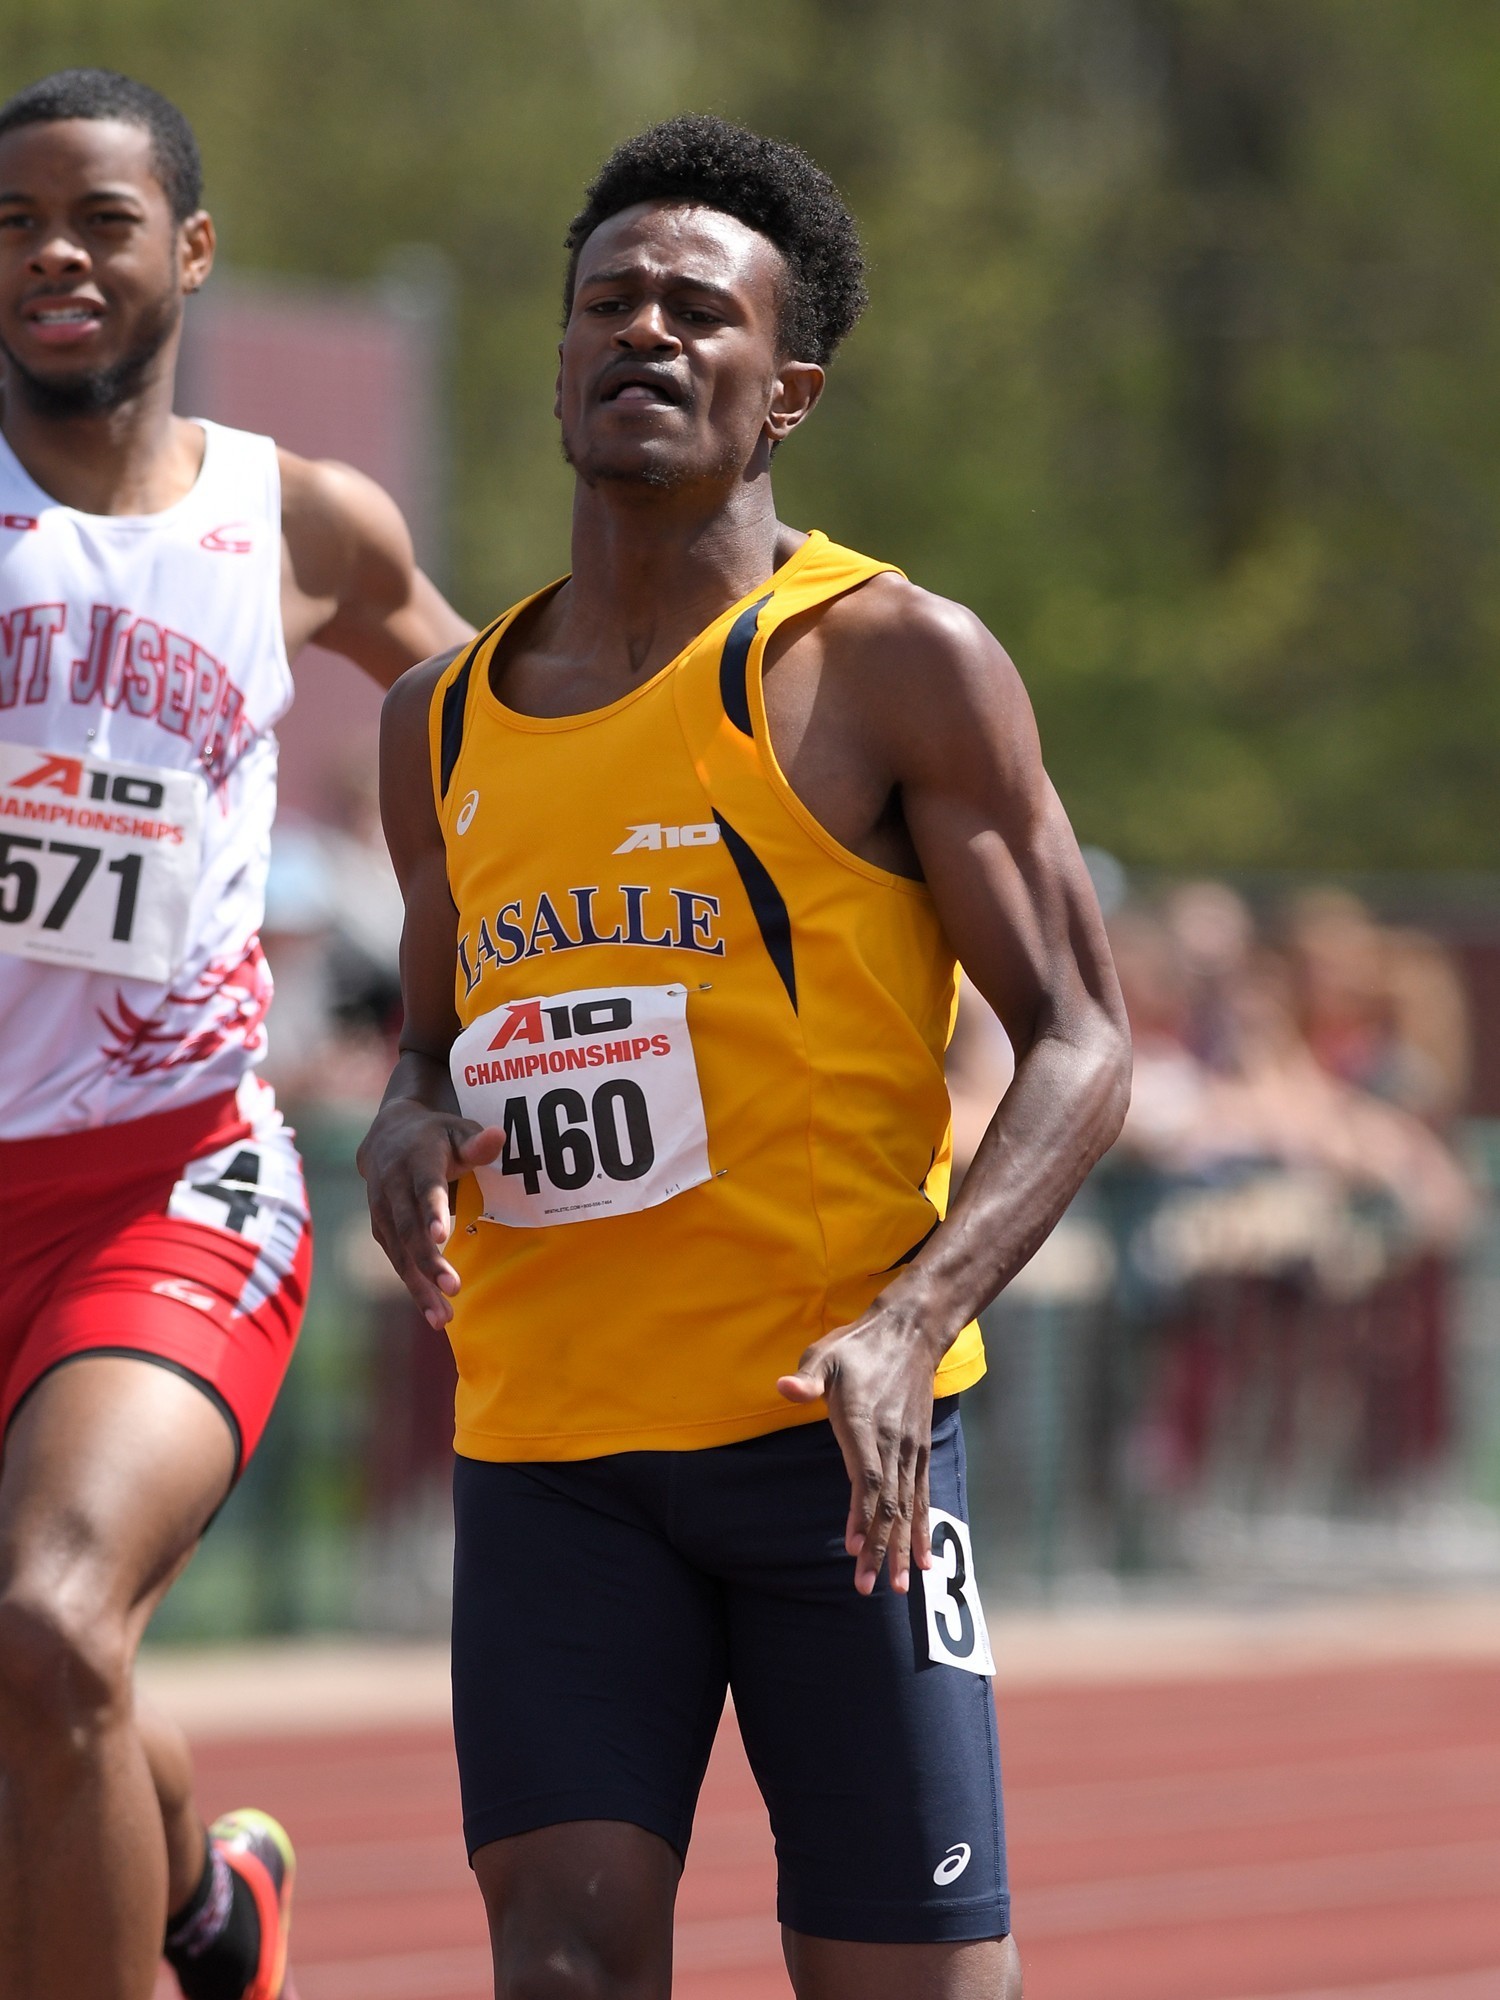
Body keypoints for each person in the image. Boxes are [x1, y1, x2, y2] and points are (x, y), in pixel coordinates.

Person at [360, 115, 1129, 2000]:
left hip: (833, 1449)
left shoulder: (887, 661)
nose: (642, 334)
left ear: (783, 392)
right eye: (605, 304)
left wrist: (909, 1315)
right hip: (551, 1451)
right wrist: (400, 1120)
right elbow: (437, 1029)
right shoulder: (437, 721)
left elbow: (1085, 1037)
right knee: (561, 1965)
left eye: (696, 313)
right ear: (556, 364)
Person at [0, 67, 470, 2000]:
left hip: (166, 1178)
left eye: (97, 219)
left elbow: (477, 719)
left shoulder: (299, 521)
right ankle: (211, 1908)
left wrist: (445, 1033)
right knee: (43, 1688)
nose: (52, 256)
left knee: (47, 1623)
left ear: (186, 250)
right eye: (15, 223)